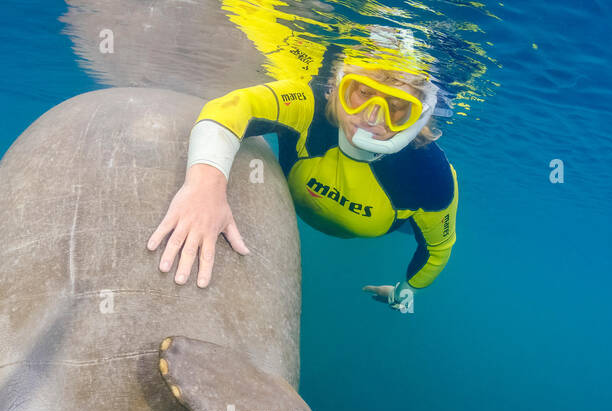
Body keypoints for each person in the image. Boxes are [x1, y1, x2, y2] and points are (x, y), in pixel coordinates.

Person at [147, 32, 458, 311]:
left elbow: (437, 249)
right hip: (357, 211)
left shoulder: (430, 176)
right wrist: (204, 188)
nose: (371, 118)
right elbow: (230, 107)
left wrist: (406, 289)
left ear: (419, 118)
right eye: (361, 93)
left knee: (417, 226)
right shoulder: (307, 103)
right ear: (336, 88)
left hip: (393, 219)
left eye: (397, 106)